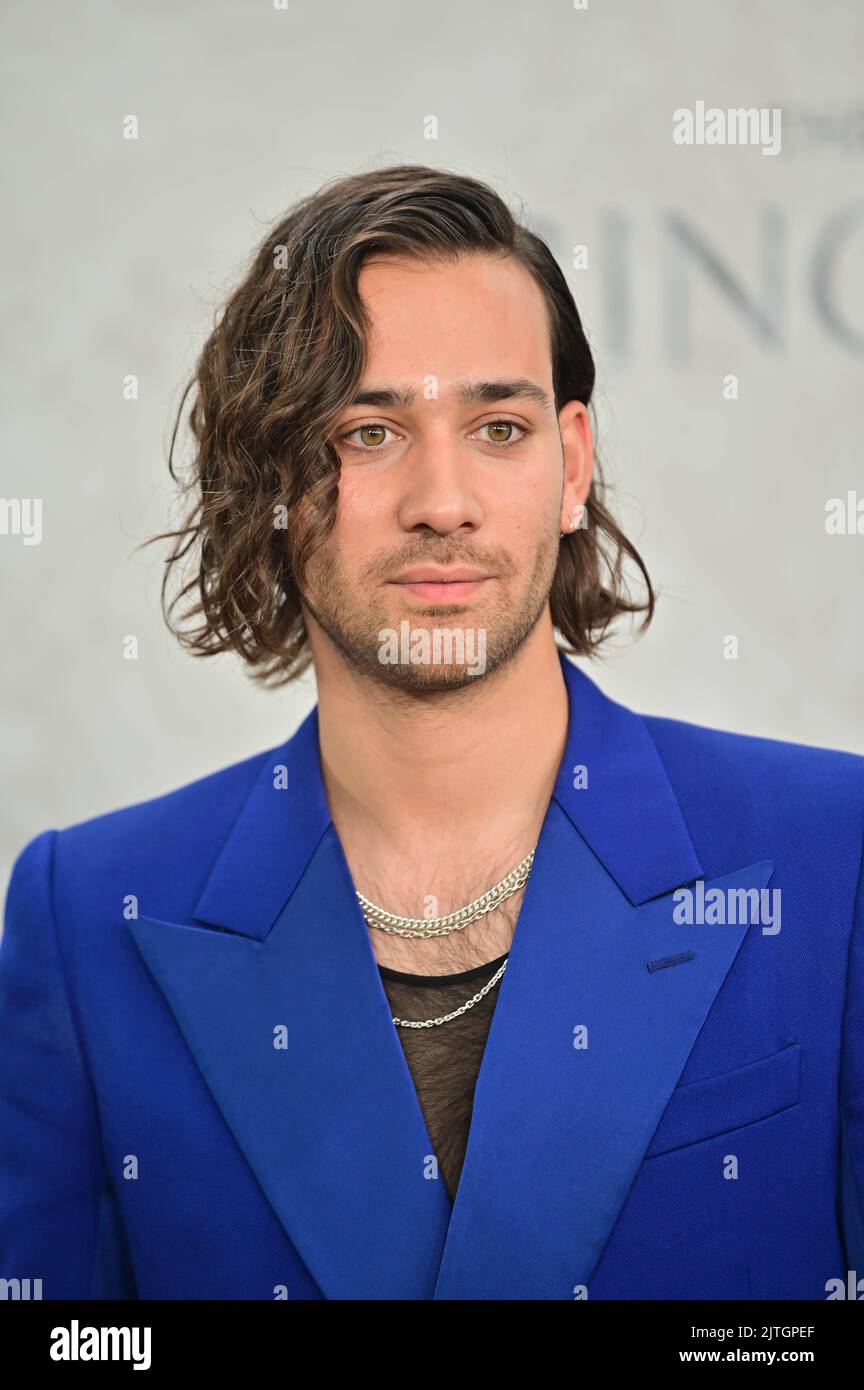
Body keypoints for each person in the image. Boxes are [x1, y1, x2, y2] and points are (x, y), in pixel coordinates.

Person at [1, 165, 862, 1302]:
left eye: (498, 426)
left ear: (573, 465)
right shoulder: (88, 911)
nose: (442, 498)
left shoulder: (834, 855)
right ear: (267, 483)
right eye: (368, 432)